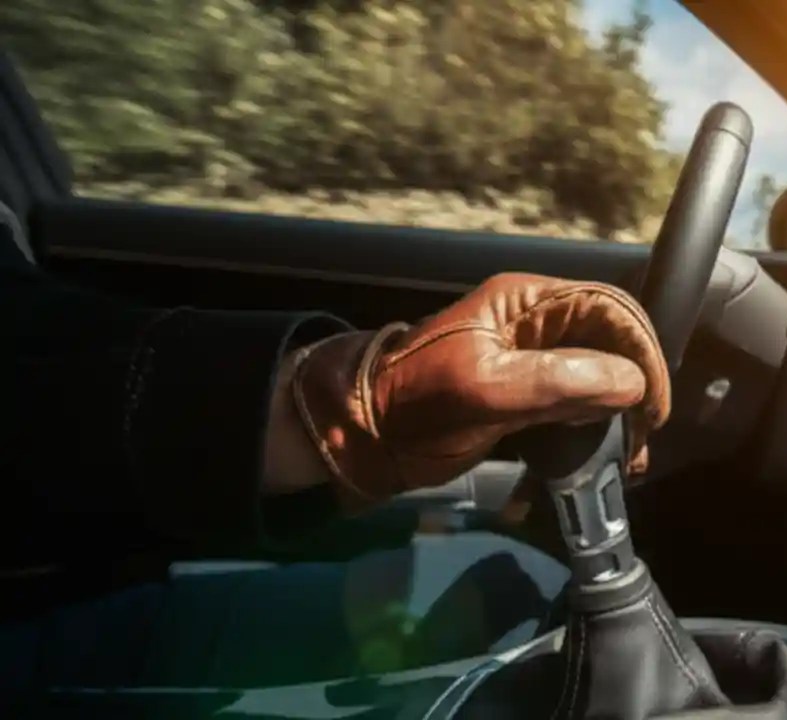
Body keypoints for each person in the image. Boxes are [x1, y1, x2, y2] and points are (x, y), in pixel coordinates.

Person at [0, 213, 671, 705]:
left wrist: (349, 404)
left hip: (67, 584)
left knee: (509, 588)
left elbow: (30, 324)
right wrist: (345, 407)